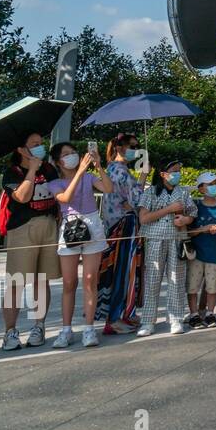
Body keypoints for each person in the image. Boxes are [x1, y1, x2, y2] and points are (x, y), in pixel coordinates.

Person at [46, 142, 114, 348]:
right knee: (69, 283)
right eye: (66, 154)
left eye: (74, 152)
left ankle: (89, 328)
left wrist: (99, 166)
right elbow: (65, 198)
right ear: (59, 161)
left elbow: (109, 189)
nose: (73, 156)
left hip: (92, 224)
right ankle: (66, 330)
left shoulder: (89, 177)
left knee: (90, 280)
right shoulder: (55, 183)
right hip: (70, 228)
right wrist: (80, 172)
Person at [0, 131, 61, 351]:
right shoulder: (12, 173)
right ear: (21, 149)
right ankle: (10, 331)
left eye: (41, 144)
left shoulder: (49, 169)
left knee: (41, 280)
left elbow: (60, 194)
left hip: (48, 225)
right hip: (22, 230)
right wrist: (32, 169)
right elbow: (23, 197)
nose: (39, 147)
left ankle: (39, 326)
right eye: (34, 144)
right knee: (16, 282)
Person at [136, 160, 198, 336]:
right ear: (163, 174)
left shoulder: (183, 193)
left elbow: (192, 213)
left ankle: (176, 318)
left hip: (177, 239)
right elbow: (144, 218)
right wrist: (169, 209)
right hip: (155, 239)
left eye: (179, 170)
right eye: (174, 171)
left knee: (176, 279)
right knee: (153, 280)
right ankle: (148, 321)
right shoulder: (150, 193)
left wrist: (185, 220)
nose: (177, 174)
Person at [99, 132, 144, 333]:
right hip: (122, 227)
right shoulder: (120, 171)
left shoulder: (114, 168)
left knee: (123, 273)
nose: (135, 149)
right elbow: (136, 199)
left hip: (118, 225)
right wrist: (143, 175)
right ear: (119, 148)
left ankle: (125, 313)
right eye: (131, 146)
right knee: (121, 273)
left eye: (136, 146)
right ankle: (115, 317)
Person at [187, 172, 216, 328]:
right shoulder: (195, 206)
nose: (214, 187)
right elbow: (189, 232)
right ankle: (194, 314)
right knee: (193, 286)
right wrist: (204, 229)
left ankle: (210, 313)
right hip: (197, 254)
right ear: (201, 189)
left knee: (213, 286)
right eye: (210, 184)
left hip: (215, 254)